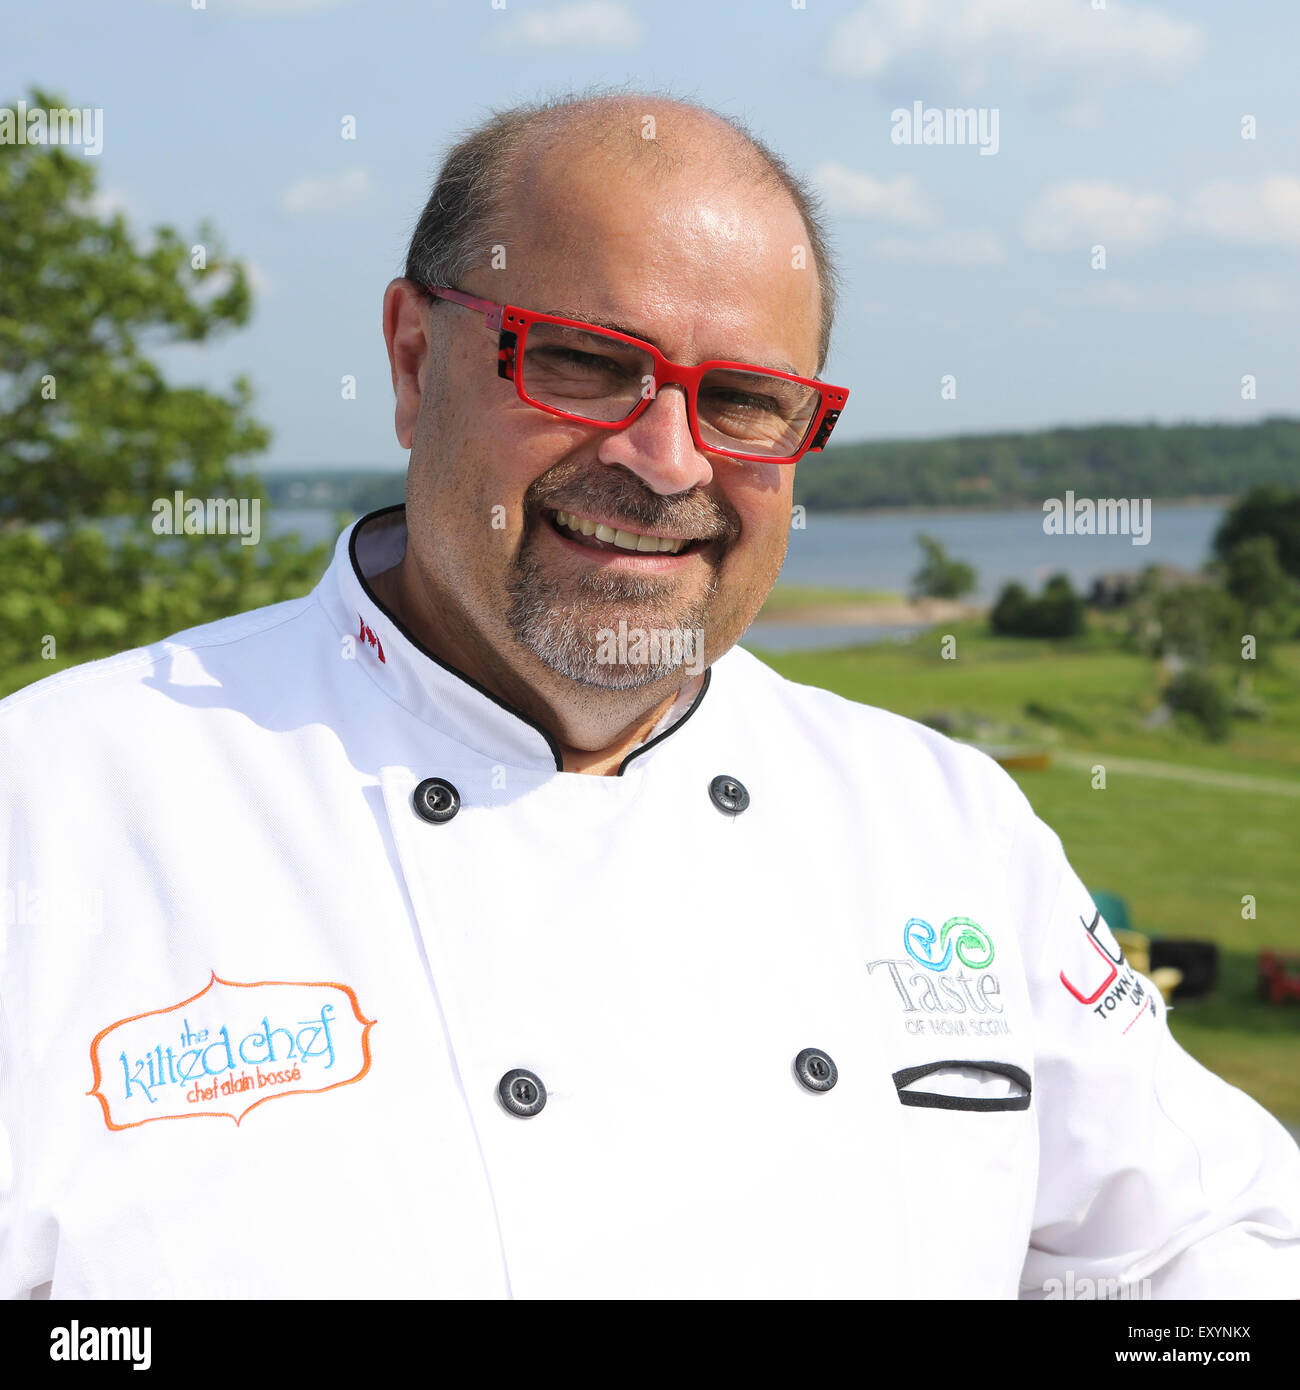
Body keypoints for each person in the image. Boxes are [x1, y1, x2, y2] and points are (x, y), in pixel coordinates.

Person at [1, 90, 1297, 1301]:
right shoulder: (56, 812)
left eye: (744, 400)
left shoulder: (946, 826)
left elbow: (1216, 1237)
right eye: (580, 363)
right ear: (410, 360)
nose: (666, 457)